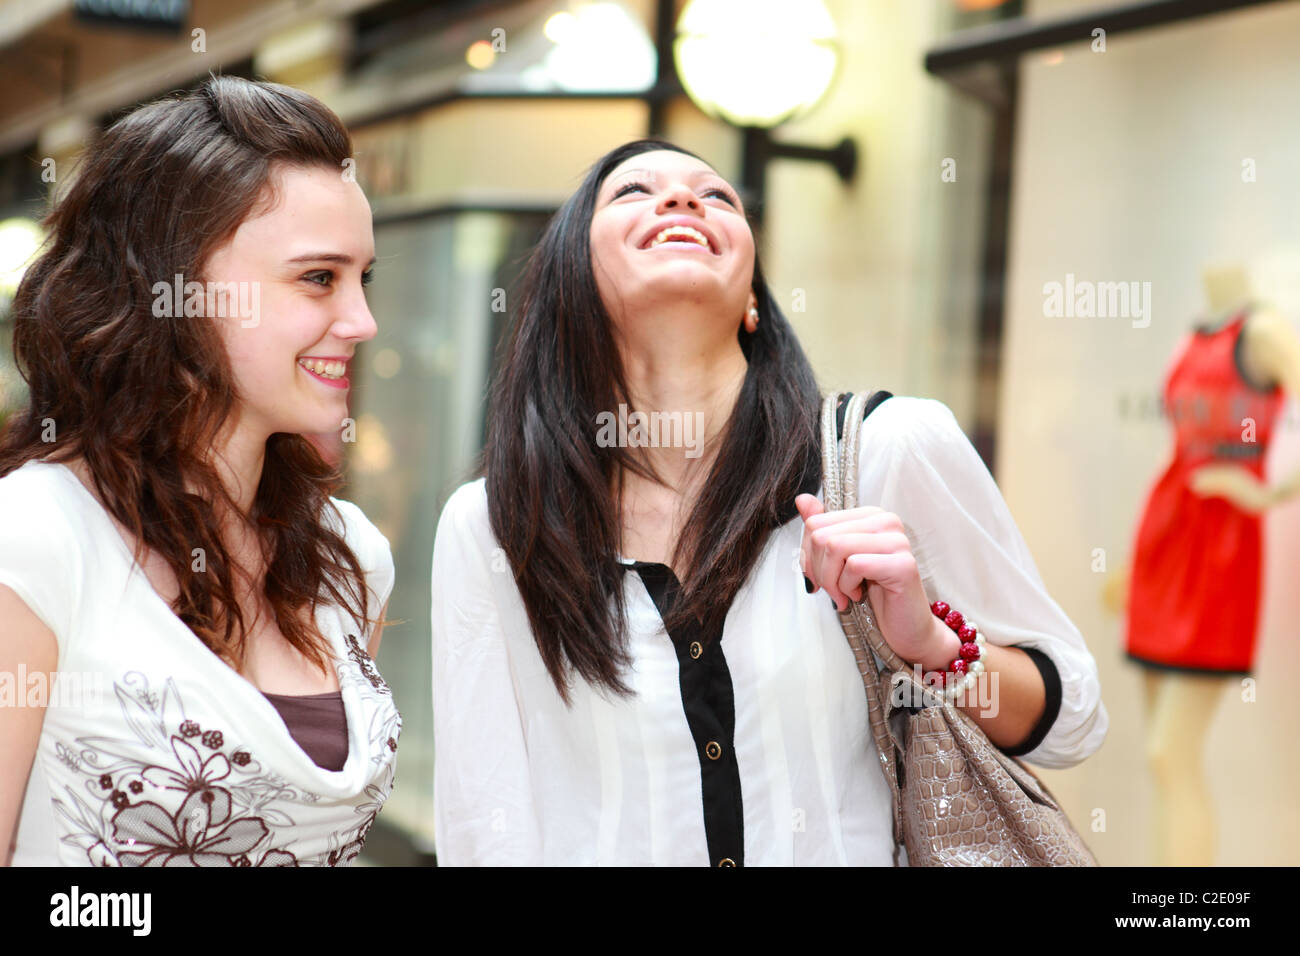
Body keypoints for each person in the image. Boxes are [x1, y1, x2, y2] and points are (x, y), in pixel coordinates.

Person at [429, 138, 1108, 866]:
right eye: (633, 192)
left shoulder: (886, 451)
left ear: (753, 297)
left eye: (716, 195)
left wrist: (932, 650)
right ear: (573, 287)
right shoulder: (497, 527)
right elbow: (484, 821)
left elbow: (1071, 721)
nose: (685, 199)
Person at [0, 76, 399, 867]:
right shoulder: (38, 538)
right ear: (170, 290)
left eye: (364, 279)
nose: (361, 321)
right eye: (317, 277)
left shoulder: (349, 554)